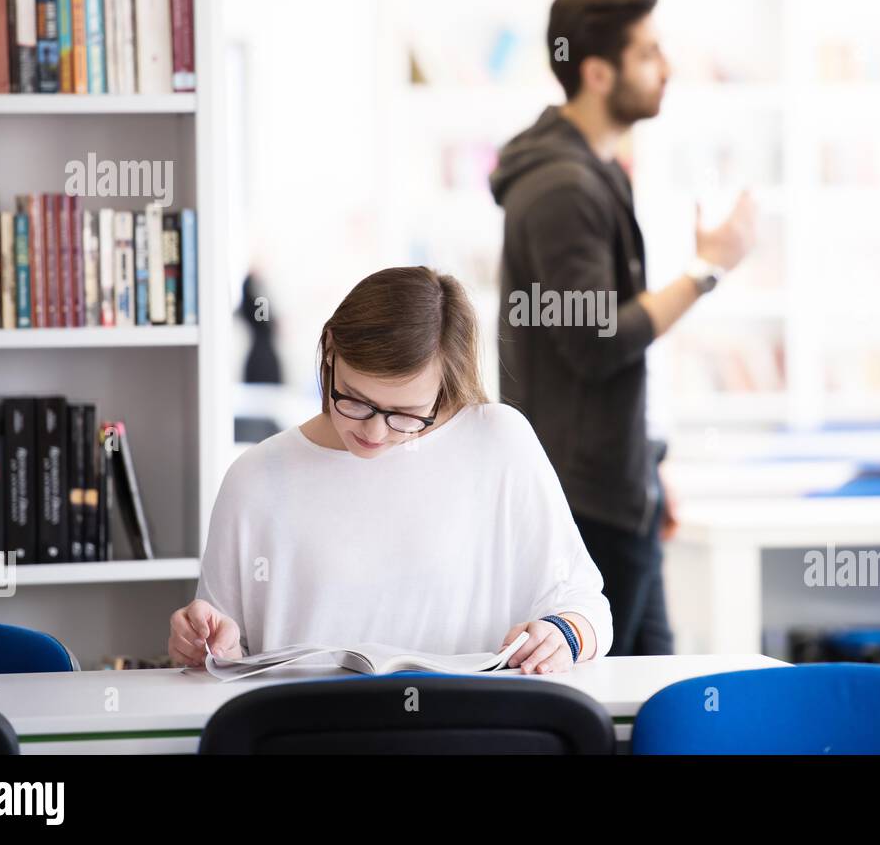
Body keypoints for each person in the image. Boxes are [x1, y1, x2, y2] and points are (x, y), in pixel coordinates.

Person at [168, 266, 613, 674]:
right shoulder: (255, 478)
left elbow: (587, 605)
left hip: (465, 730)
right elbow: (221, 652)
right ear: (329, 354)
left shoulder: (500, 443)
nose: (376, 433)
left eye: (405, 413)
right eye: (355, 400)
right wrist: (202, 645)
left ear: (446, 387)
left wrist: (566, 634)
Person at [489, 0, 755, 656]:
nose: (666, 69)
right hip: (587, 504)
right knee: (616, 707)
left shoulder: (590, 170)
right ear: (598, 72)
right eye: (649, 53)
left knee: (651, 699)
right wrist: (707, 269)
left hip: (614, 485)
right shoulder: (563, 184)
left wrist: (646, 460)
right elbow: (598, 335)